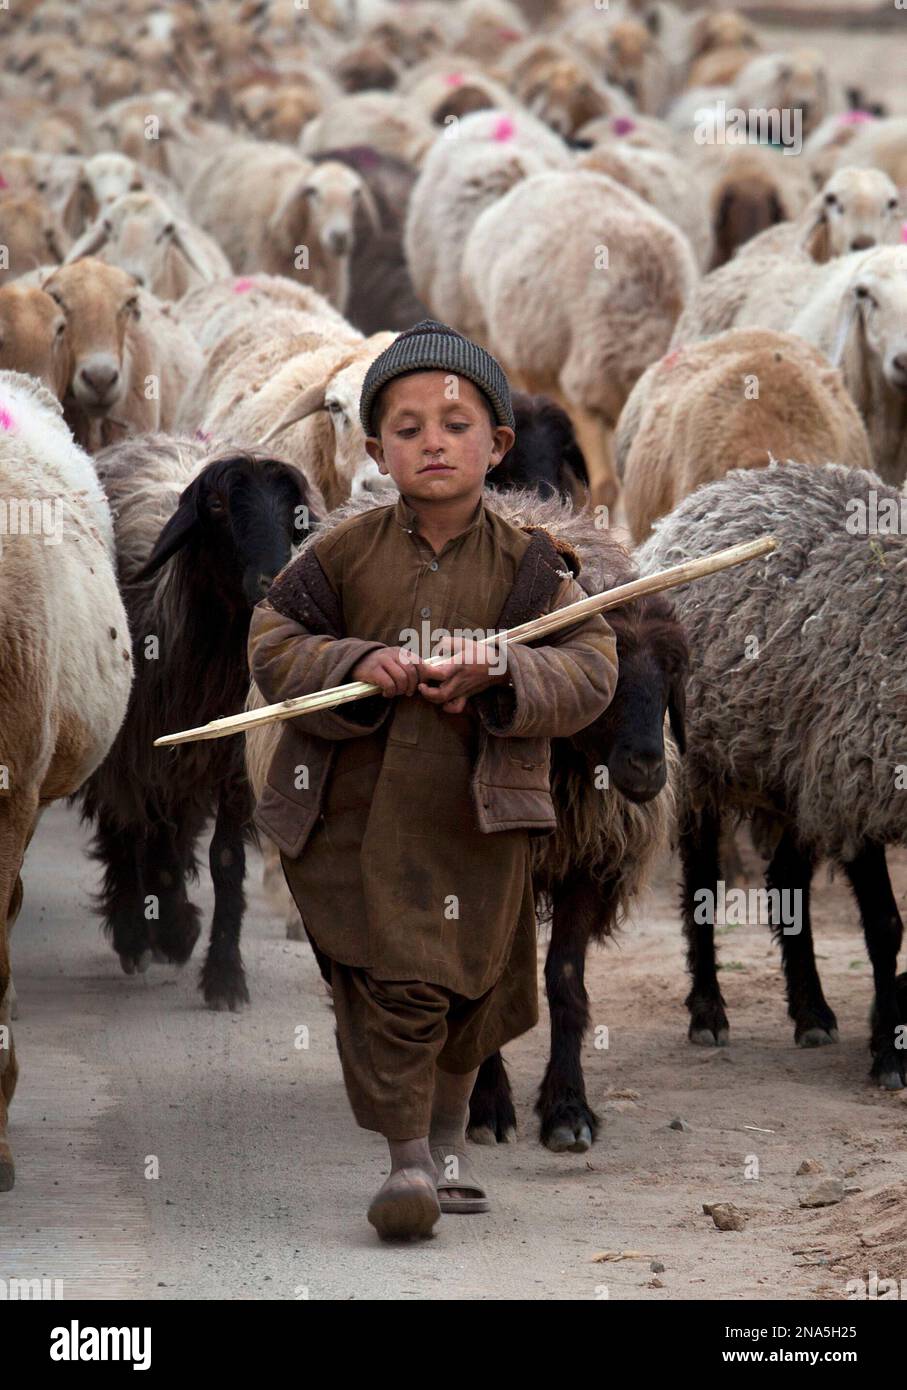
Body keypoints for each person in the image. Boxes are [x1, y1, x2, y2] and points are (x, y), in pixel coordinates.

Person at [247, 320, 618, 1239]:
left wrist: (503, 671)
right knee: (388, 986)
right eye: (406, 429)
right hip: (352, 817)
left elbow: (592, 665)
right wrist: (356, 661)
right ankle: (406, 1162)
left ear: (496, 446)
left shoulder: (532, 566)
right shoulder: (339, 555)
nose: (431, 443)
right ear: (374, 452)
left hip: (479, 818)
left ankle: (445, 1145)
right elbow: (272, 643)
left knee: (468, 988)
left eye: (454, 425)